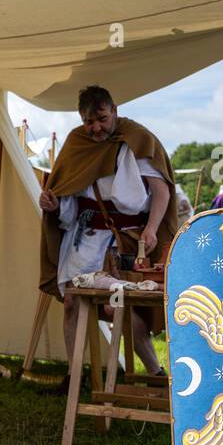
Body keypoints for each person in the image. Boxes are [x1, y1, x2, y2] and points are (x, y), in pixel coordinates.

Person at [37, 85, 177, 378]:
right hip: (84, 241)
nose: (96, 127)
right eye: (89, 121)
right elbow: (69, 197)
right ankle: (76, 377)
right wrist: (53, 205)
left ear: (114, 111)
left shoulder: (136, 139)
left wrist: (151, 230)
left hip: (121, 242)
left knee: (119, 307)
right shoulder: (78, 142)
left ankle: (154, 373)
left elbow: (161, 191)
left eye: (102, 118)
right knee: (74, 303)